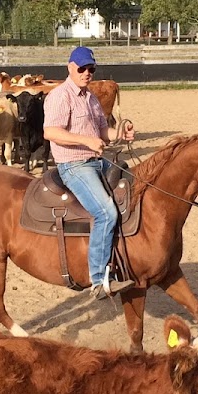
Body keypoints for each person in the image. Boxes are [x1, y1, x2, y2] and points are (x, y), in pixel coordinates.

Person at [43, 46, 137, 300]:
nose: (87, 73)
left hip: (97, 160)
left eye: (91, 69)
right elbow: (50, 132)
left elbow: (103, 134)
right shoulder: (60, 96)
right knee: (105, 212)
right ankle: (98, 279)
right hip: (73, 165)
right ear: (70, 67)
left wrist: (120, 135)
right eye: (82, 68)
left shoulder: (91, 98)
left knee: (136, 186)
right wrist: (86, 141)